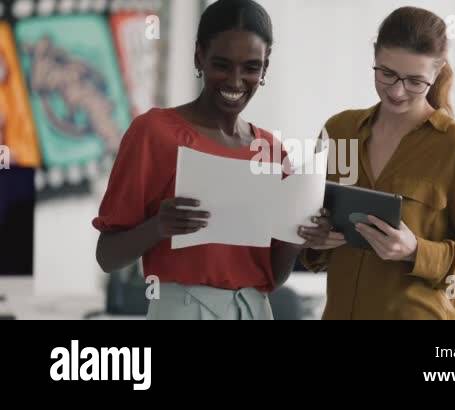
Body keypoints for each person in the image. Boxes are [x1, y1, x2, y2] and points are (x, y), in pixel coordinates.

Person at [93, 0, 329, 320]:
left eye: (250, 67)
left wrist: (298, 237)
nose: (235, 81)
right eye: (222, 64)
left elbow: (273, 276)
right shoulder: (154, 133)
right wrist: (158, 227)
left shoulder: (272, 152)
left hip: (256, 311)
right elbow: (107, 256)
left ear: (265, 69)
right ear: (199, 57)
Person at [300, 6, 455, 320]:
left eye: (415, 81)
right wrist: (316, 238)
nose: (396, 91)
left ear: (437, 73)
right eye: (386, 73)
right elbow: (309, 227)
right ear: (375, 58)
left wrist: (415, 251)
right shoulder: (339, 131)